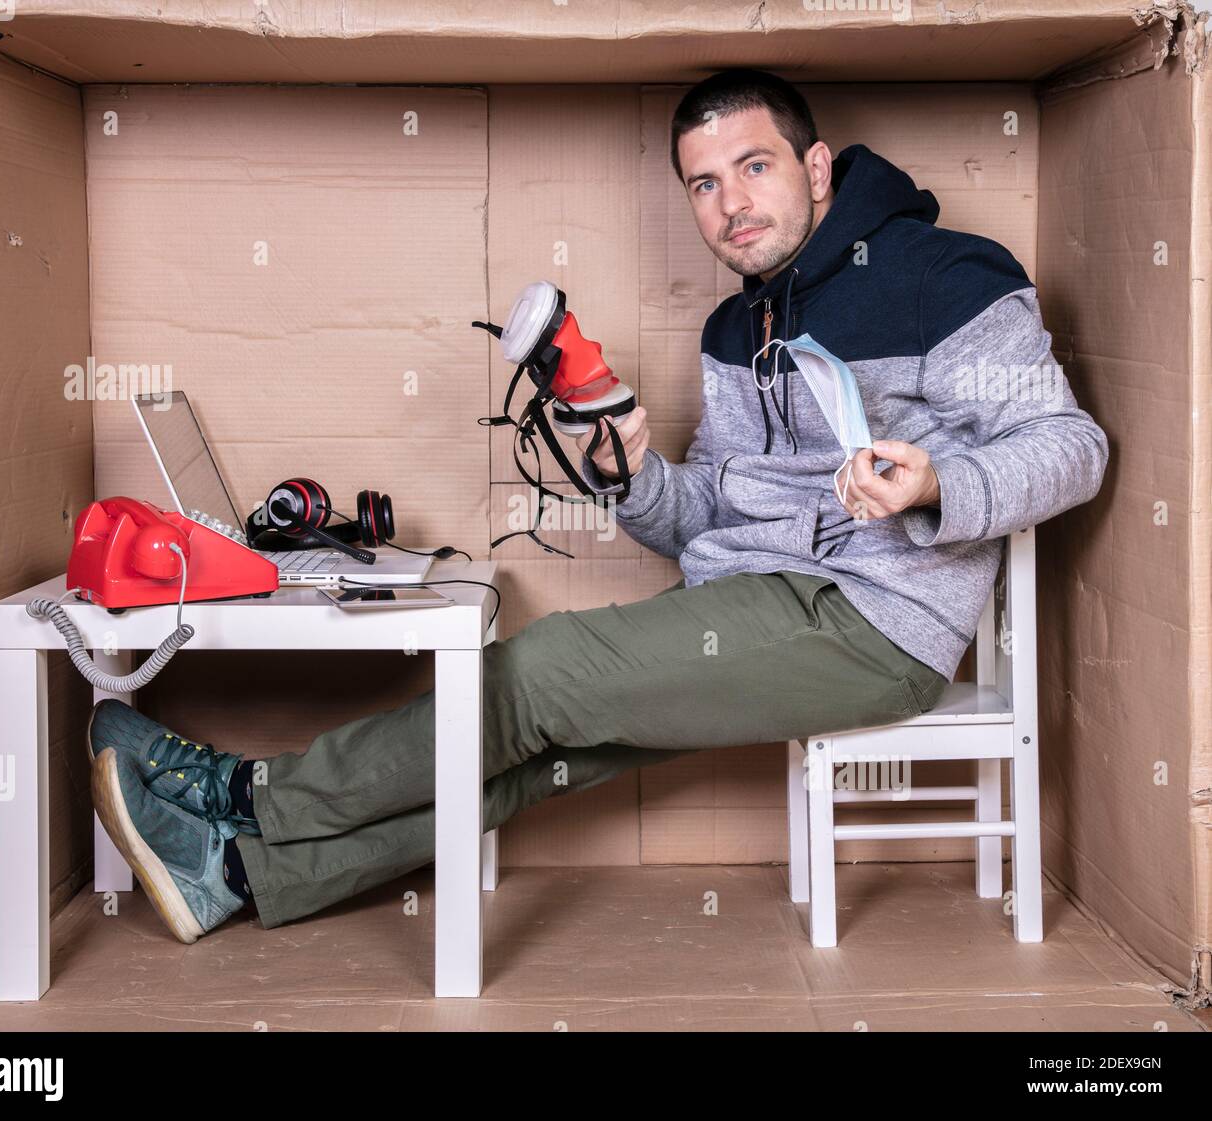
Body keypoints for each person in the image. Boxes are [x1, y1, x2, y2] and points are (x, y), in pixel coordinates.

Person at [87, 68, 1108, 943]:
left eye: (753, 168)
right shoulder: (733, 323)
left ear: (816, 168)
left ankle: (242, 794)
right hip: (751, 601)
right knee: (543, 755)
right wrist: (628, 473)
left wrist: (932, 482)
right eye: (702, 185)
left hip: (872, 615)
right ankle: (238, 876)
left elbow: (1072, 446)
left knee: (537, 674)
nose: (729, 206)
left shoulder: (948, 275)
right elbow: (704, 510)